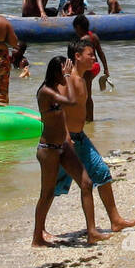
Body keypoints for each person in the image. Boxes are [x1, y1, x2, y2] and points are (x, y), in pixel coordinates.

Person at [53, 42, 135, 243]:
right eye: (90, 55)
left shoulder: (84, 79)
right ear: (77, 56)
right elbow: (59, 111)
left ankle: (115, 220)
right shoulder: (68, 81)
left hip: (81, 138)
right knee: (52, 186)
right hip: (68, 141)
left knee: (102, 173)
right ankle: (39, 231)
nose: (94, 59)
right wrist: (66, 138)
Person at [33, 55, 89, 246]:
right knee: (47, 194)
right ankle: (37, 237)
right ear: (56, 72)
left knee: (86, 182)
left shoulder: (56, 88)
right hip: (48, 149)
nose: (68, 75)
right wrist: (67, 76)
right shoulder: (46, 91)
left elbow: (66, 112)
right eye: (64, 71)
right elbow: (72, 101)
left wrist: (68, 139)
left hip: (62, 147)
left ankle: (92, 231)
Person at [71, 14, 110, 103]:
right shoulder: (94, 36)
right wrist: (106, 68)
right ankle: (88, 116)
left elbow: (81, 57)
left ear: (78, 27)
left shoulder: (83, 39)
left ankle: (88, 117)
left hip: (88, 67)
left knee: (86, 96)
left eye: (75, 29)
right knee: (87, 94)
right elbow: (100, 53)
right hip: (96, 66)